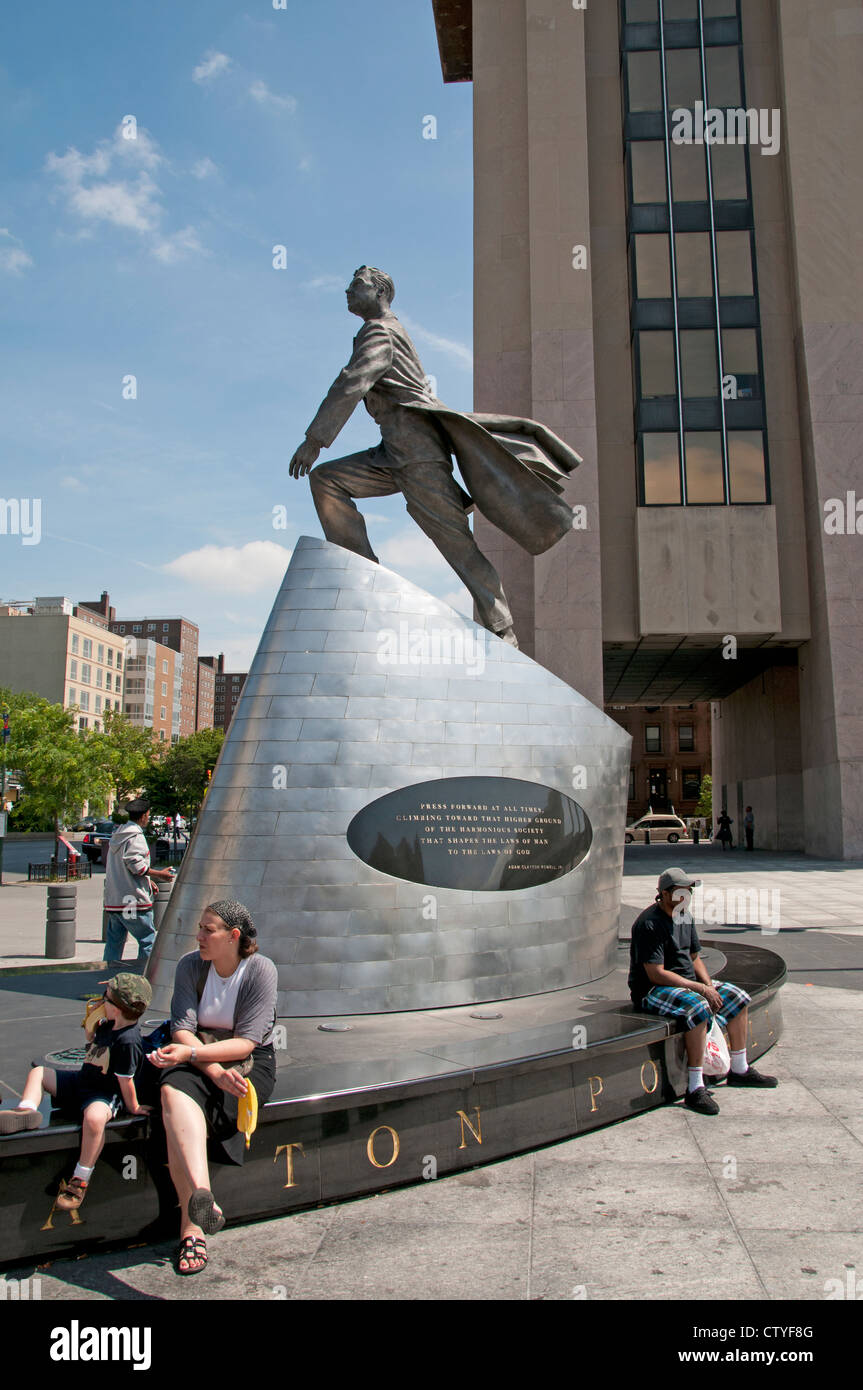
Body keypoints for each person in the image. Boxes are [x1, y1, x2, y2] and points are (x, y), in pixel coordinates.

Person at [149, 900, 278, 1275]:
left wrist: (212, 1066)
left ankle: (192, 1230)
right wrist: (210, 1068)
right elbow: (182, 1027)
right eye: (200, 928)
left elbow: (246, 1043)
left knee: (179, 1115)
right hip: (198, 1051)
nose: (199, 936)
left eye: (209, 930)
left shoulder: (260, 971)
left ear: (233, 937)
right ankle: (203, 1199)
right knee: (173, 1093)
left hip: (247, 1064)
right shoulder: (191, 965)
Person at [628, 868, 777, 1116]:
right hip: (654, 989)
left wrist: (708, 985)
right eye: (681, 891)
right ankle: (695, 1087)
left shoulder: (684, 916)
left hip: (686, 983)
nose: (687, 895)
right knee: (697, 1007)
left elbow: (694, 957)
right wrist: (699, 990)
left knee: (737, 997)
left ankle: (739, 1069)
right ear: (664, 894)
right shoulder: (649, 924)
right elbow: (656, 973)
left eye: (690, 890)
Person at [0, 973, 157, 1208]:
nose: (101, 1002)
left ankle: (80, 1178)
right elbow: (91, 1045)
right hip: (82, 1081)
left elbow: (126, 1080)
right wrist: (91, 1028)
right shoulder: (108, 1024)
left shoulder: (128, 1041)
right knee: (40, 1073)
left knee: (94, 1119)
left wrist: (133, 1106)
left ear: (118, 1008)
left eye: (106, 998)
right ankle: (25, 1111)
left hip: (103, 1094)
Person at [103, 798, 176, 968]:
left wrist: (147, 881)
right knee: (147, 939)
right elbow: (135, 864)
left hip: (115, 900)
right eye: (148, 815)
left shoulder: (119, 833)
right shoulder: (135, 836)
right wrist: (160, 874)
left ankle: (108, 972)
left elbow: (126, 866)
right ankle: (145, 974)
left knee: (115, 941)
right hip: (132, 901)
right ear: (143, 816)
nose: (148, 818)